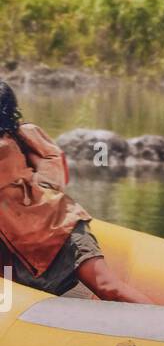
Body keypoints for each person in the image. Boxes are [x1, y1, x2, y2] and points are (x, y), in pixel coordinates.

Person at [0, 81, 152, 302]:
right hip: (18, 245)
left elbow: (54, 169)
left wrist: (36, 187)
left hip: (57, 229)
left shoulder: (14, 139)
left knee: (108, 287)